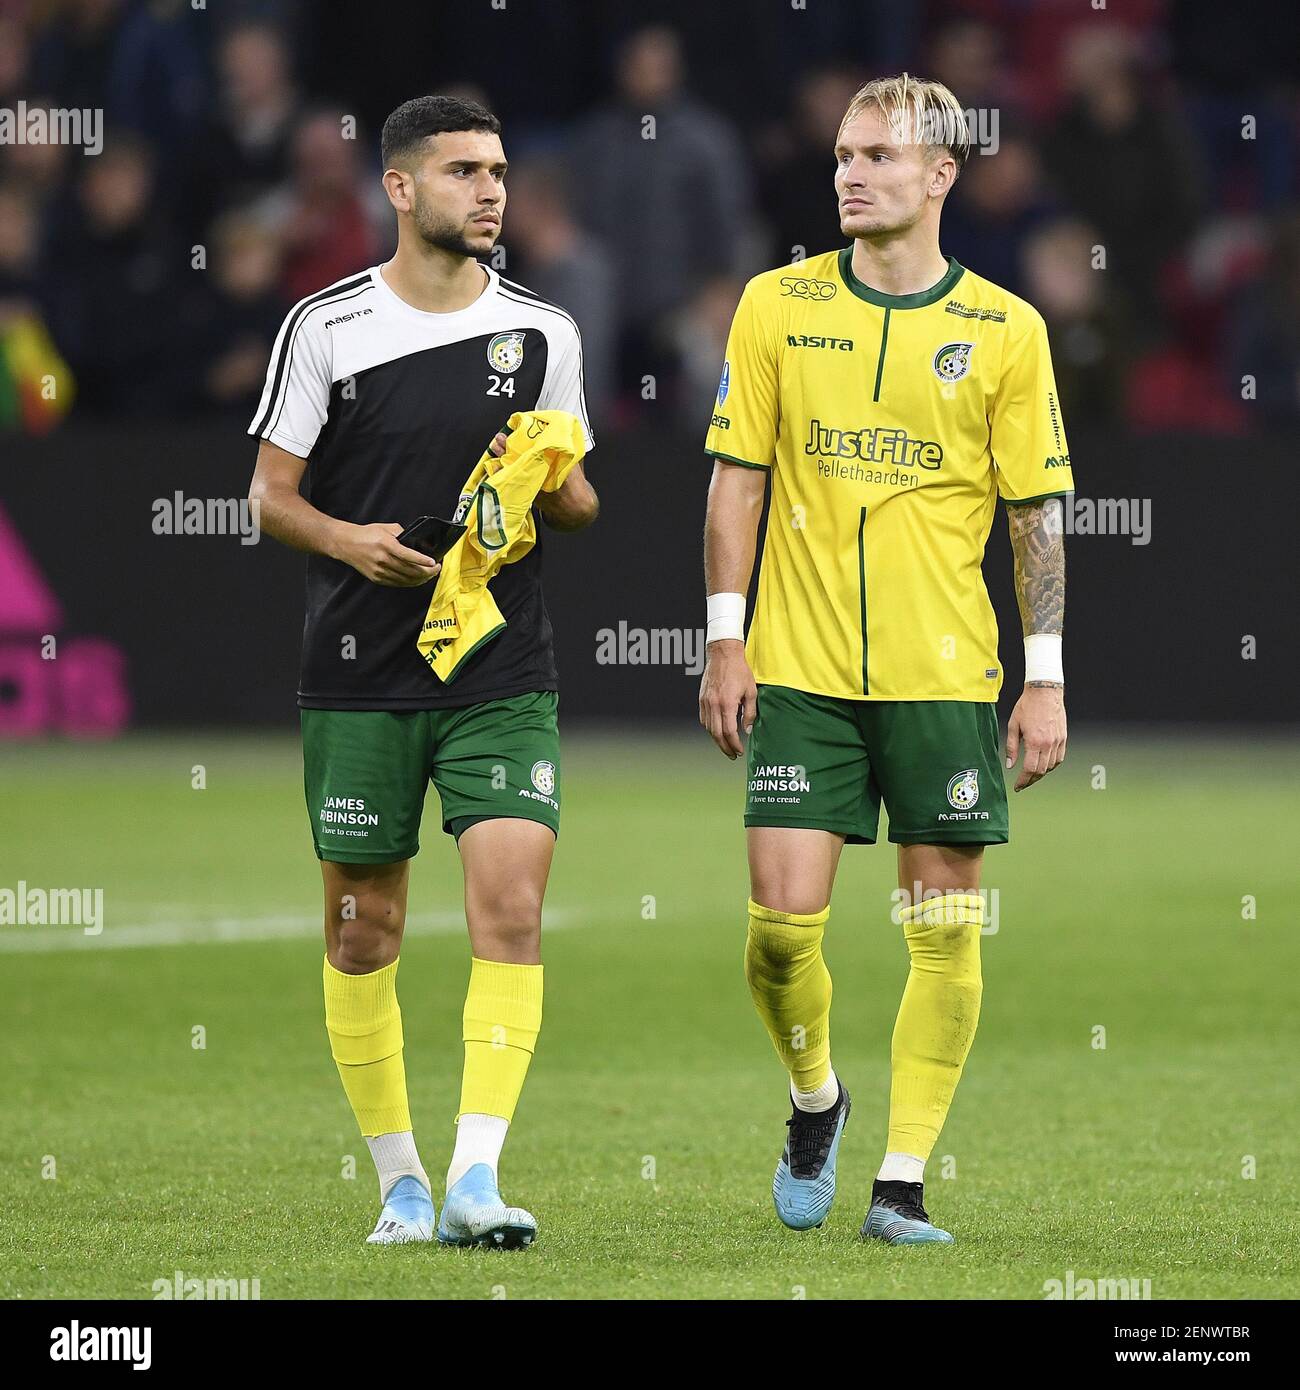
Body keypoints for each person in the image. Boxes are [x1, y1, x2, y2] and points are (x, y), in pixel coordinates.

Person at [698, 73, 1072, 1245]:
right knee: (776, 931)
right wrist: (721, 634)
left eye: (877, 156)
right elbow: (736, 479)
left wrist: (1045, 671)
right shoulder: (773, 305)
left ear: (941, 175)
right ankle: (817, 1100)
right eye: (844, 154)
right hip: (798, 667)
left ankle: (900, 1180)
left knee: (943, 925)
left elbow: (1033, 515)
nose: (851, 173)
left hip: (944, 676)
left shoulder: (1007, 330)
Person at [246, 94, 598, 1249]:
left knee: (511, 906)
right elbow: (270, 496)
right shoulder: (326, 327)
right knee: (364, 930)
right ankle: (398, 1182)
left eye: (497, 169)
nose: (490, 190)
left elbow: (580, 500)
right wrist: (350, 542)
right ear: (399, 190)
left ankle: (475, 1178)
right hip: (359, 670)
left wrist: (546, 484)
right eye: (462, 172)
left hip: (502, 665)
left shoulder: (546, 332)